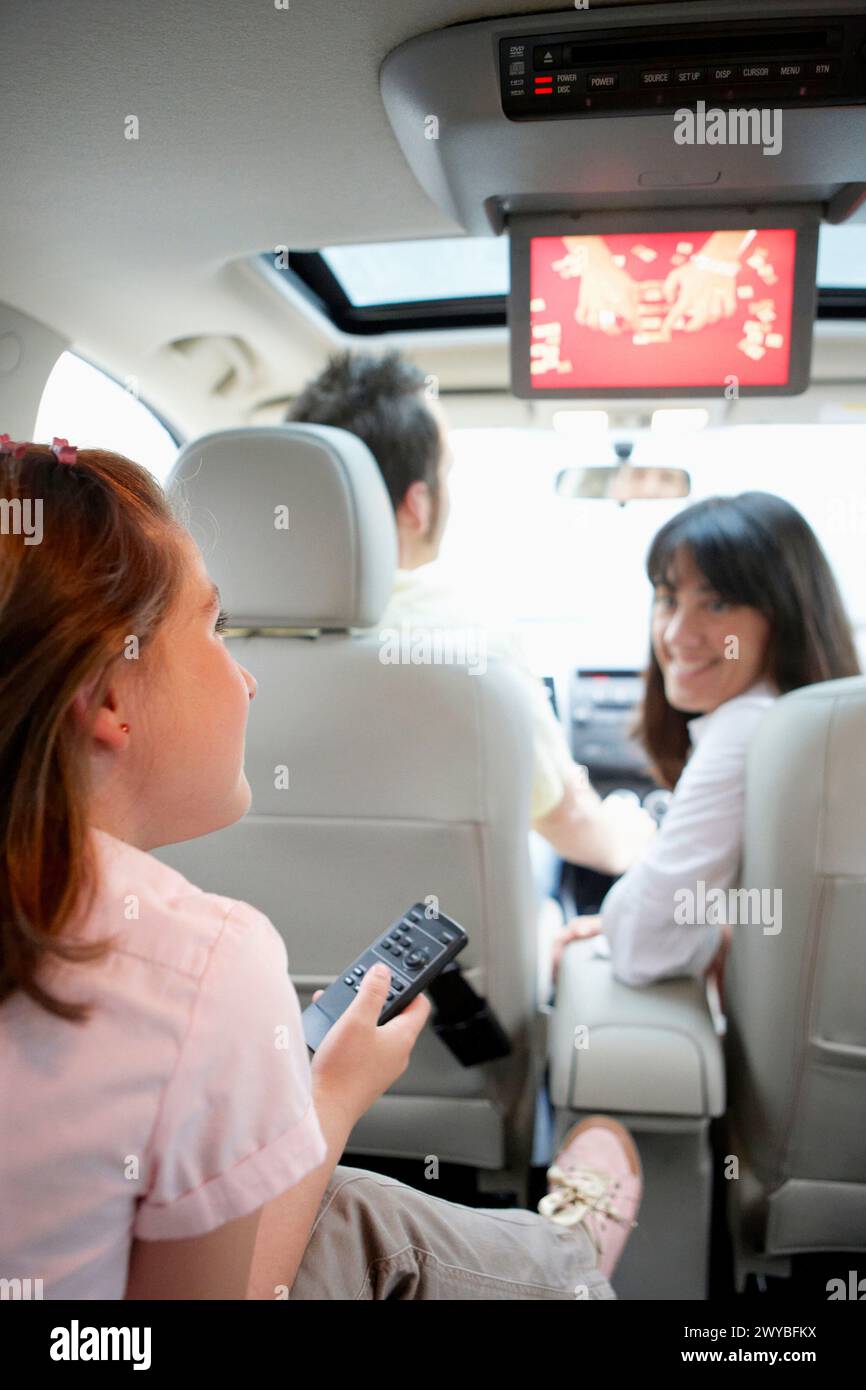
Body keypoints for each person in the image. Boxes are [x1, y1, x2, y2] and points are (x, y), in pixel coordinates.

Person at [0, 438, 642, 1301]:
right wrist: (328, 1100)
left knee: (343, 1208)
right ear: (111, 696)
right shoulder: (203, 964)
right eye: (215, 627)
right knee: (356, 1218)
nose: (248, 679)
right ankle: (574, 1266)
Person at [288, 350, 656, 878]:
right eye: (446, 473)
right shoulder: (472, 642)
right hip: (442, 961)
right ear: (418, 504)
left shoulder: (214, 636)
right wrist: (635, 840)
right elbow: (569, 822)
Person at [553, 492, 861, 990]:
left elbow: (642, 947)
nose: (678, 633)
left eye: (717, 603)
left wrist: (628, 927)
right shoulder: (803, 724)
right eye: (668, 599)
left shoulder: (747, 728)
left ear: (783, 615)